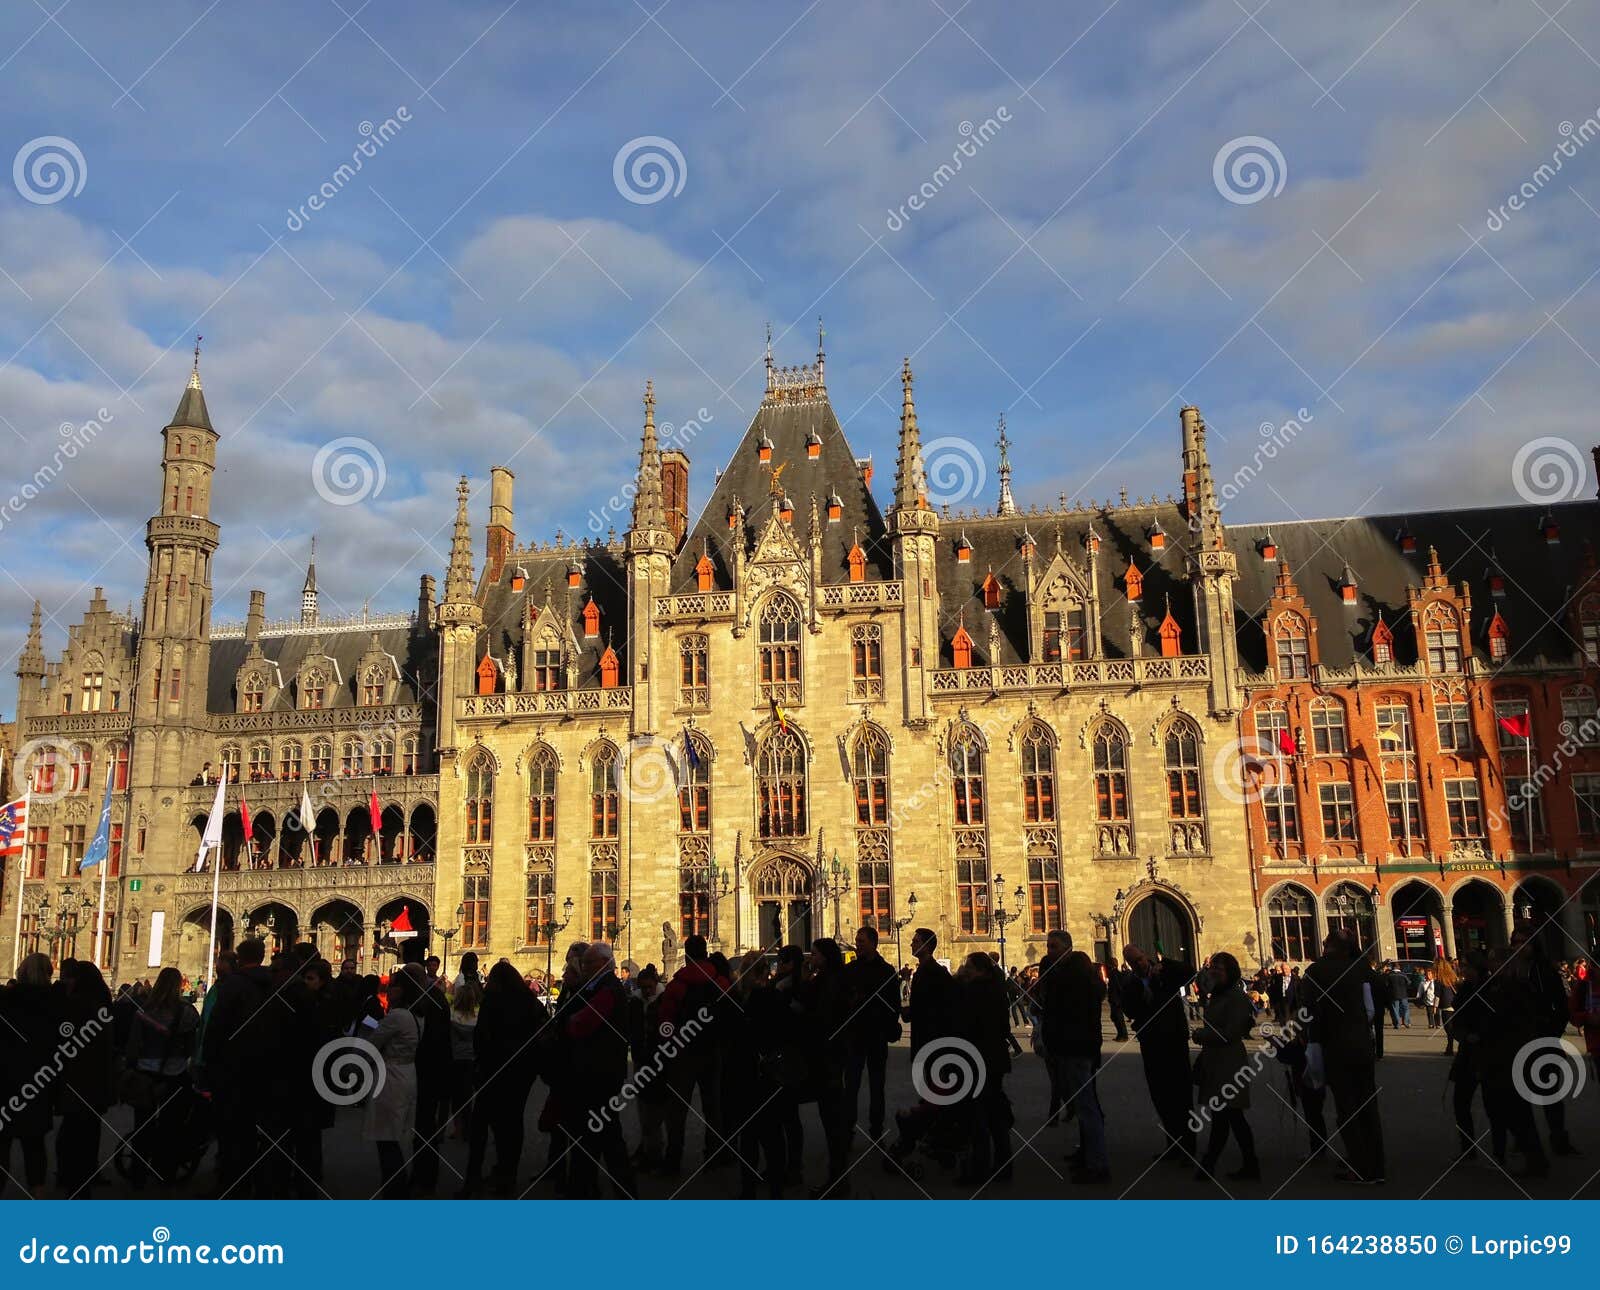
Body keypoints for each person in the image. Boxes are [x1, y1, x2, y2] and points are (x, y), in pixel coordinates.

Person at [202, 938, 289, 1198]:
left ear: (239, 958)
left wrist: (208, 1065)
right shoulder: (276, 984)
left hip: (234, 1070)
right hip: (267, 1070)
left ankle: (232, 1186)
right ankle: (263, 1185)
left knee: (233, 1132)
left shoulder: (233, 985)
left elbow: (216, 1028)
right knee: (261, 1131)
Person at [1301, 930, 1386, 1185]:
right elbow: (1381, 997)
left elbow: (1308, 1011)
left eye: (1326, 942)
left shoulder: (1317, 972)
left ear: (1330, 947)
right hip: (1362, 1045)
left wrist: (1310, 1041)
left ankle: (1361, 1167)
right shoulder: (1362, 970)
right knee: (1368, 1106)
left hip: (1334, 1047)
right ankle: (1376, 1166)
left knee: (1347, 1107)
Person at [560, 943, 637, 1199]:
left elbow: (582, 1023)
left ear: (603, 964)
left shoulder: (608, 990)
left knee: (606, 1142)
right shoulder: (599, 988)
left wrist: (569, 1023)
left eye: (588, 964)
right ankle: (585, 1191)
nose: (584, 968)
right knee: (597, 1141)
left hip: (600, 1077)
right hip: (596, 1076)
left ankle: (597, 1192)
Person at [461, 961, 545, 1197]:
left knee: (481, 1125)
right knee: (512, 1123)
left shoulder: (493, 1001)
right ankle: (507, 1175)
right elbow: (544, 1032)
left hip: (493, 1072)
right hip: (521, 1075)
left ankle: (473, 1179)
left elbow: (482, 1037)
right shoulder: (531, 1003)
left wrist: (480, 1064)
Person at [1036, 932, 1109, 1184]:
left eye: (1053, 946)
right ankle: (1089, 1155)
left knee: (1087, 1107)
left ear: (1067, 949)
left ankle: (1097, 1165)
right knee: (1084, 1105)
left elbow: (1062, 1015)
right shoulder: (1079, 977)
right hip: (1079, 1048)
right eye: (1048, 946)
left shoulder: (1071, 979)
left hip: (1074, 1050)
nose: (1048, 951)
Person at [656, 934, 729, 1175]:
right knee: (714, 1106)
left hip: (683, 1054)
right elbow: (730, 1014)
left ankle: (673, 1158)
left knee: (677, 1109)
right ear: (706, 953)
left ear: (685, 955)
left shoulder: (677, 984)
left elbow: (665, 1020)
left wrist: (670, 1041)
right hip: (712, 1051)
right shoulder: (720, 982)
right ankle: (715, 1154)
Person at [122, 965, 200, 1186]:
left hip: (146, 1073)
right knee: (171, 1126)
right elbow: (191, 1046)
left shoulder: (144, 1011)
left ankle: (138, 1173)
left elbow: (133, 1044)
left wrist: (131, 1067)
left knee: (143, 1125)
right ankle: (166, 1170)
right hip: (175, 1074)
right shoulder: (187, 1012)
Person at [1119, 942, 1194, 1163]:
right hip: (1151, 1044)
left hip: (1174, 1041)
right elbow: (1129, 1009)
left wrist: (1166, 962)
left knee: (1181, 1096)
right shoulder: (1131, 983)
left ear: (1146, 955)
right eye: (1133, 962)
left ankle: (1188, 1148)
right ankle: (1173, 1145)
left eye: (1140, 958)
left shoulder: (1166, 973)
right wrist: (1141, 999)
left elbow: (1190, 973)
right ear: (1129, 964)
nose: (1139, 964)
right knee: (1161, 1097)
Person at [1191, 951, 1260, 1182]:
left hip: (1229, 1062)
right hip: (1216, 1061)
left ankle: (1210, 1165)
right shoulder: (1218, 994)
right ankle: (1245, 1166)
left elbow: (1230, 1033)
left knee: (1229, 1116)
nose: (1214, 972)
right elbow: (1201, 980)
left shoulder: (1235, 998)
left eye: (1219, 969)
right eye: (1213, 969)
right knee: (1227, 1117)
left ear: (1230, 972)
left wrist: (1202, 1034)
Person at [794, 937, 853, 1197]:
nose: (811, 957)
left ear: (826, 957)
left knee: (832, 1123)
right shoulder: (832, 979)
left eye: (815, 954)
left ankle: (838, 1183)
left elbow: (819, 1018)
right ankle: (838, 1180)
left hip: (827, 1061)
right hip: (831, 1059)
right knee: (832, 1122)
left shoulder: (830, 982)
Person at [954, 952, 1015, 1184]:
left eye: (968, 966)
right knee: (996, 1115)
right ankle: (1004, 1166)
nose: (965, 969)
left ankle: (979, 1170)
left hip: (977, 1061)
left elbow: (964, 1026)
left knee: (977, 1117)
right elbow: (1002, 1028)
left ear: (979, 970)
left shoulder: (972, 993)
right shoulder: (998, 991)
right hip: (996, 1059)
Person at [367, 966, 422, 1198]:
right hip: (408, 1072)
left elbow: (373, 1042)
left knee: (386, 1136)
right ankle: (395, 1185)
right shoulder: (416, 1014)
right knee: (393, 1133)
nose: (389, 991)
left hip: (392, 1075)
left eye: (393, 986)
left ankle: (394, 1188)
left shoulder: (398, 1016)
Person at [843, 925, 901, 1144]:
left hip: (876, 1036)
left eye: (862, 942)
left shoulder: (886, 971)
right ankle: (847, 1129)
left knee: (877, 1086)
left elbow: (893, 1005)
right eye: (857, 941)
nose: (857, 945)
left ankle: (876, 1129)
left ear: (874, 943)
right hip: (855, 1036)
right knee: (851, 1086)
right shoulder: (851, 970)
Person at [906, 927, 954, 1057]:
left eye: (916, 941)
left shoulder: (935, 972)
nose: (911, 944)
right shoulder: (925, 969)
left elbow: (937, 1006)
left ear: (926, 946)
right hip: (925, 1038)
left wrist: (911, 1012)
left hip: (931, 1039)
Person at [448, 979, 481, 1139]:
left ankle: (458, 1128)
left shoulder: (452, 1015)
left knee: (456, 1095)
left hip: (455, 1058)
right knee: (468, 1094)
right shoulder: (478, 1016)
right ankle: (469, 1127)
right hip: (471, 1058)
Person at [1386, 962, 1412, 1029]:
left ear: (1393, 967)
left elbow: (1386, 984)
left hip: (1393, 995)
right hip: (1403, 994)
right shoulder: (1403, 974)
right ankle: (1406, 1022)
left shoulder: (1389, 975)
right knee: (1405, 1008)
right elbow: (1409, 982)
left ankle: (1397, 1024)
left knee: (1395, 1009)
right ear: (1399, 967)